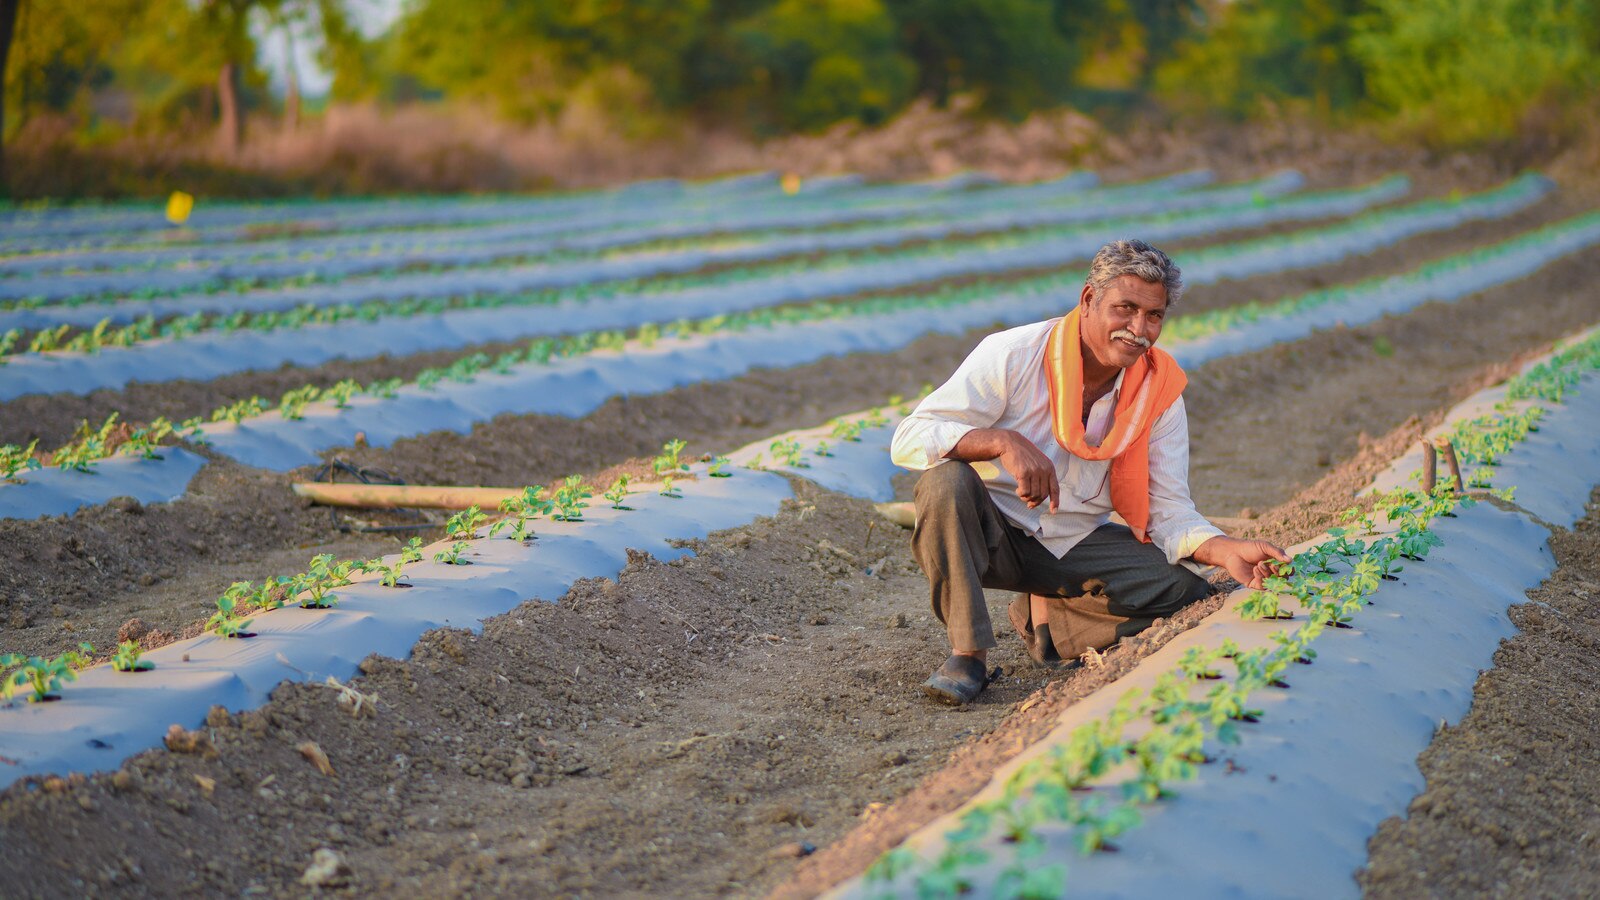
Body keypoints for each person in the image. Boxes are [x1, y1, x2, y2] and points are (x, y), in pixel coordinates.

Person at [890, 239, 1289, 705]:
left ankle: (1051, 624)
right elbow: (910, 437)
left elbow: (1168, 507)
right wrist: (1002, 441)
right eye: (1125, 308)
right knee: (944, 482)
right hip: (989, 532)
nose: (1138, 329)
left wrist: (1223, 549)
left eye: (1154, 316)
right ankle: (968, 655)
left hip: (1070, 544)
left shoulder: (1157, 393)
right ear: (1088, 301)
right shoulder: (1014, 355)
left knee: (1184, 591)